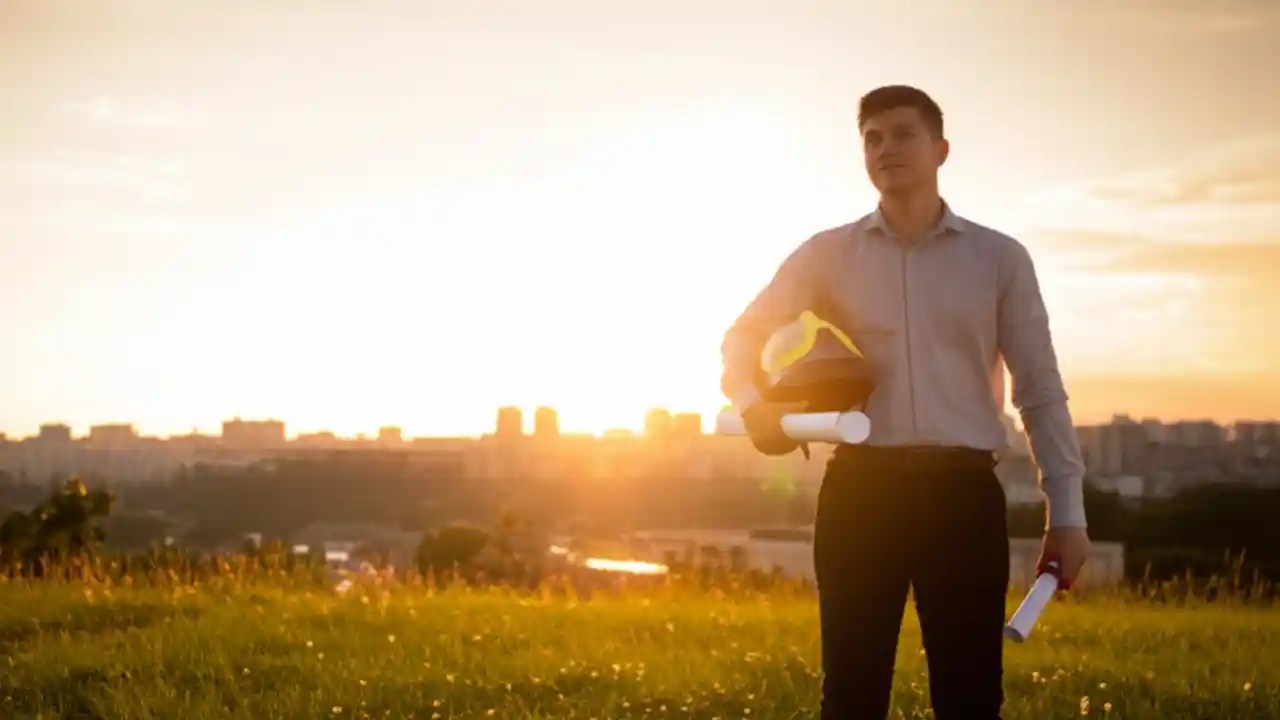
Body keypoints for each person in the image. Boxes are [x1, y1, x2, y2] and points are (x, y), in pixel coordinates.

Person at [720, 85, 1091, 719]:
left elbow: (1039, 388)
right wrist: (755, 404)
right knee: (851, 698)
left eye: (902, 134)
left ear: (941, 149)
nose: (885, 148)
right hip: (861, 494)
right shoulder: (827, 254)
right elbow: (742, 337)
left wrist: (1069, 512)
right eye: (872, 138)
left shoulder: (999, 258)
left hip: (963, 498)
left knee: (971, 699)